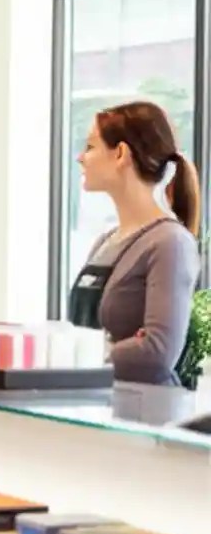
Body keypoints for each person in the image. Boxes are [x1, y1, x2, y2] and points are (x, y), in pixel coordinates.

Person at [68, 101, 201, 386]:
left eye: (90, 147)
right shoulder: (104, 243)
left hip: (143, 418)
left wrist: (77, 355)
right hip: (95, 406)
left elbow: (156, 353)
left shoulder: (170, 243)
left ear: (120, 154)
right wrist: (113, 348)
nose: (81, 158)